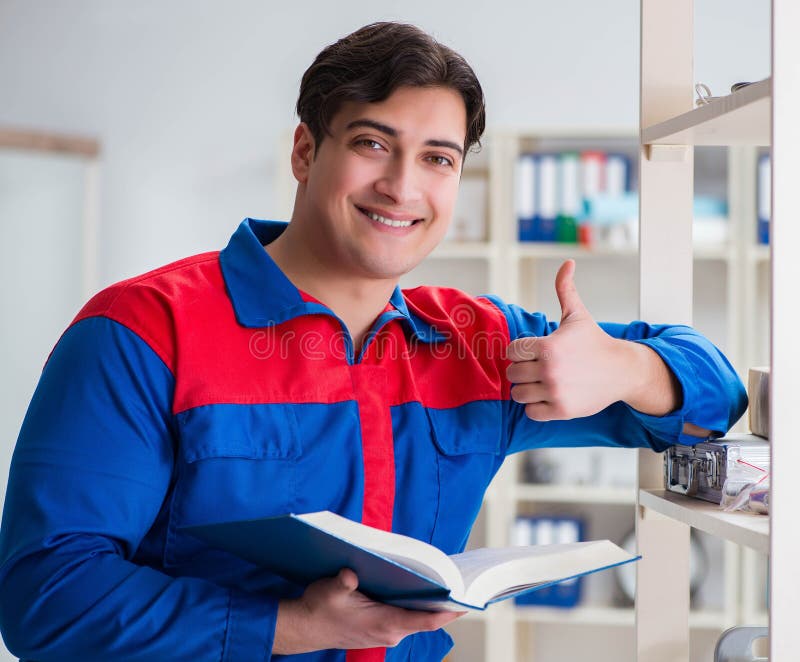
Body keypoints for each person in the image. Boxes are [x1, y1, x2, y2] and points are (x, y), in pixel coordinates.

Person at [0, 21, 746, 662]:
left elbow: (718, 396)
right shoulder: (140, 334)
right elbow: (46, 595)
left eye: (438, 159)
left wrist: (625, 366)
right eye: (371, 142)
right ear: (303, 152)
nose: (402, 186)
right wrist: (283, 628)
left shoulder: (481, 345)